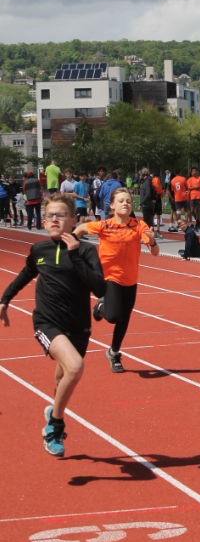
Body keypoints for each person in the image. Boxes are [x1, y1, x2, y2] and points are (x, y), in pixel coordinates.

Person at [0, 192, 106, 457]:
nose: (54, 219)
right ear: (44, 222)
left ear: (73, 220)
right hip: (47, 321)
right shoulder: (39, 250)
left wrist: (76, 255)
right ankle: (55, 426)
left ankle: (52, 410)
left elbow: (99, 286)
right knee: (75, 366)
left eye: (60, 215)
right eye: (50, 215)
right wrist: (5, 300)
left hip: (78, 324)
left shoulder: (86, 250)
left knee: (63, 376)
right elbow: (26, 273)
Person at [75, 187, 159, 373]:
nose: (125, 204)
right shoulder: (104, 225)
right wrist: (71, 243)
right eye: (121, 201)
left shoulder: (139, 225)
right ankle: (101, 306)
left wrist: (152, 241)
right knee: (113, 316)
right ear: (112, 205)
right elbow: (81, 228)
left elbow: (154, 252)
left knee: (123, 319)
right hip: (110, 277)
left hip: (131, 279)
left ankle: (113, 352)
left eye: (128, 201)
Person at [150, 172, 165, 238]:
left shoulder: (154, 183)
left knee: (154, 216)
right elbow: (162, 194)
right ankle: (156, 229)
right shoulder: (155, 184)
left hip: (155, 200)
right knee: (156, 216)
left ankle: (155, 229)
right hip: (157, 200)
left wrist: (163, 203)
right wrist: (163, 203)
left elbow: (162, 194)